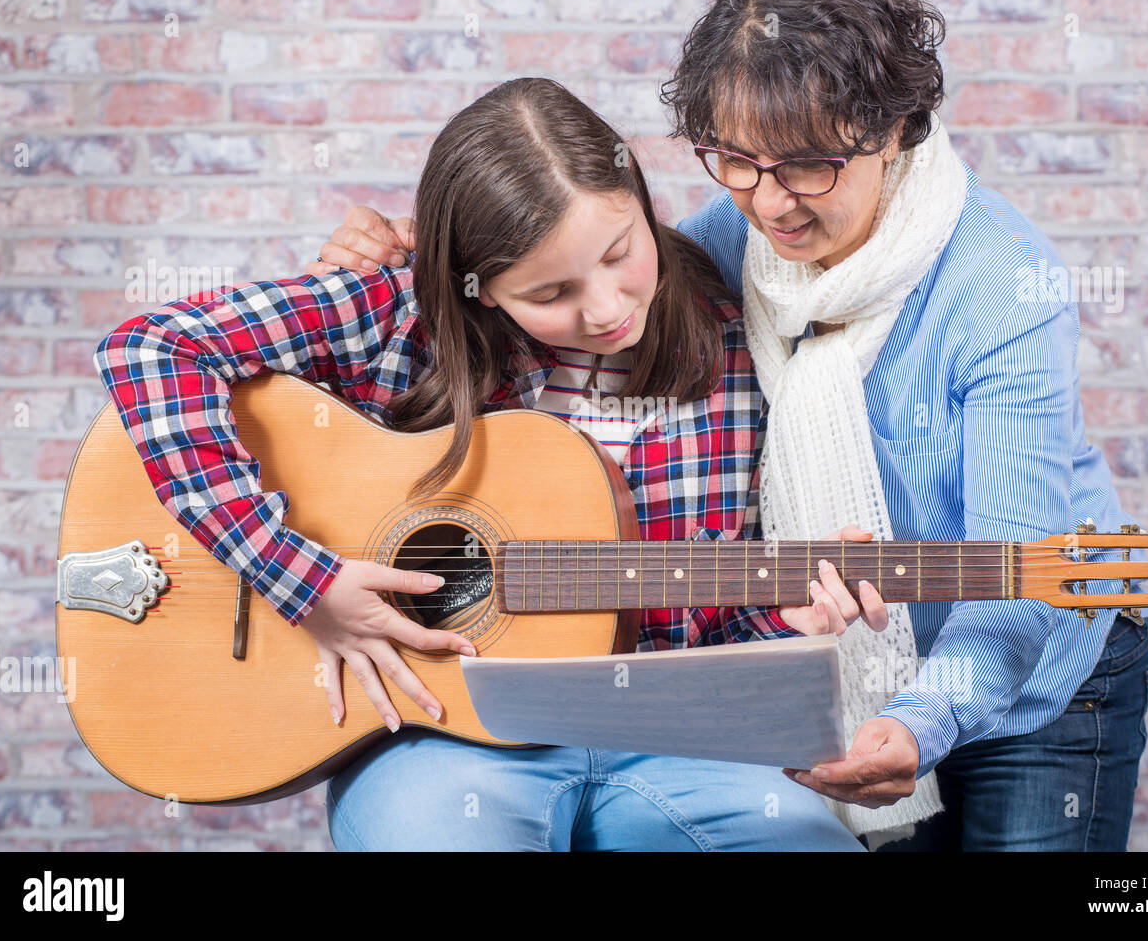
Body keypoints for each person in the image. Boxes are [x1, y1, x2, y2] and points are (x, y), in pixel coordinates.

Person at [308, 0, 1148, 851]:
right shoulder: (728, 247)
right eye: (737, 159)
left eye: (810, 165)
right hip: (868, 666)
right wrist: (416, 253)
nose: (772, 202)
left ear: (896, 127)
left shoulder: (1005, 287)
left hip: (1035, 659)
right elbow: (572, 263)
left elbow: (1017, 585)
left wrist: (920, 720)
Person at [93, 76, 891, 852]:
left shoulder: (729, 324)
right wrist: (302, 579)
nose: (607, 306)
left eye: (621, 251)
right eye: (551, 290)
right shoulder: (396, 314)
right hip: (444, 739)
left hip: (667, 743)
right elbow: (153, 348)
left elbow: (700, 614)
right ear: (478, 290)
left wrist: (781, 622)